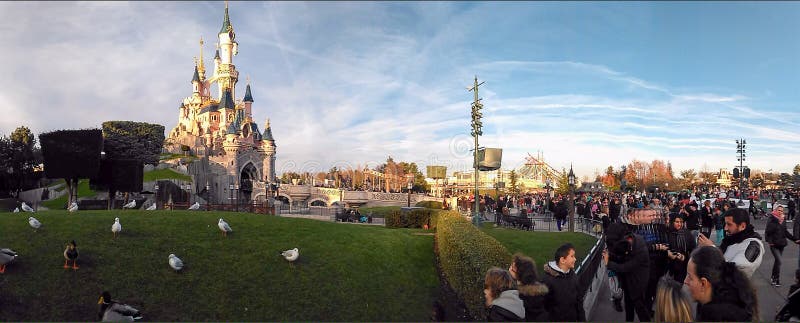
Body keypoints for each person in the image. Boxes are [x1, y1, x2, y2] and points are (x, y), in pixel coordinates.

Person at [684, 246, 759, 321]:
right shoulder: (733, 299)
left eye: (690, 277)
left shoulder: (714, 316)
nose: (685, 281)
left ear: (703, 283)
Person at [602, 210, 651, 322]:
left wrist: (609, 263)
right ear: (630, 216)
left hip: (636, 281)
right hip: (629, 278)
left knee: (639, 307)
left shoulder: (638, 247)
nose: (639, 219)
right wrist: (613, 258)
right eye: (638, 216)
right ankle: (617, 301)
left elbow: (626, 267)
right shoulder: (625, 233)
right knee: (628, 304)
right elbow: (616, 248)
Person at [697, 208, 764, 278]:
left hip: (735, 288)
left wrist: (712, 248)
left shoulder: (753, 245)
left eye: (729, 224)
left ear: (742, 226)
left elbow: (737, 269)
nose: (725, 228)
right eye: (725, 224)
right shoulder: (732, 240)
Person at [542, 243, 585, 322]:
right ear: (562, 260)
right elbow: (542, 308)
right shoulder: (547, 280)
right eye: (572, 256)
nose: (575, 259)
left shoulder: (573, 277)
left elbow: (579, 302)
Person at [765, 205, 798, 287]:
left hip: (781, 243)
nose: (780, 212)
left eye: (782, 211)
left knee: (777, 262)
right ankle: (777, 279)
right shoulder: (772, 219)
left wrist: (794, 239)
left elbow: (785, 232)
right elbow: (768, 232)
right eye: (779, 210)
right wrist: (770, 241)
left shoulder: (783, 219)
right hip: (773, 244)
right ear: (775, 210)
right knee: (779, 261)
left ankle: (773, 276)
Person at [509, 253, 548, 321]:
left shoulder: (519, 298)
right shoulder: (540, 292)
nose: (509, 269)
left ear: (519, 275)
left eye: (512, 269)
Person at [665, 212, 695, 282]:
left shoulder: (686, 233)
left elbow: (693, 249)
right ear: (672, 222)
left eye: (681, 222)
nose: (679, 224)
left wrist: (684, 257)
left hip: (684, 266)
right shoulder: (666, 233)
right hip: (670, 267)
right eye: (677, 222)